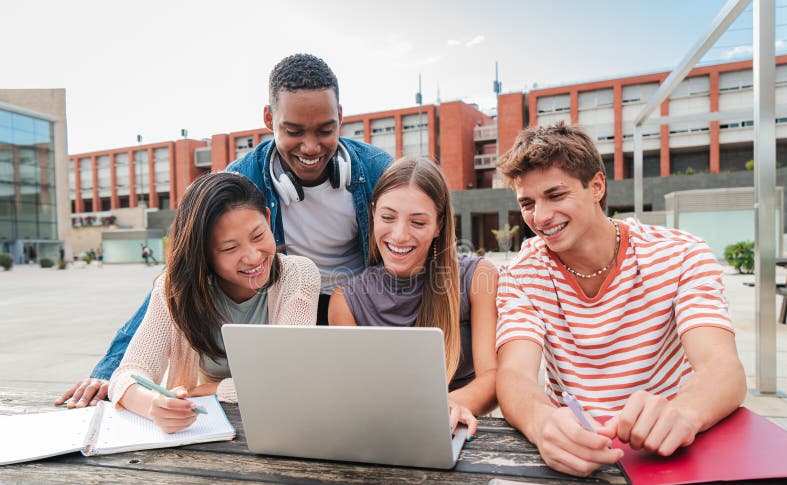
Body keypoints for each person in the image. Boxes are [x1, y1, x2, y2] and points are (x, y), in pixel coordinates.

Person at [56, 53, 393, 408]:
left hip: (348, 308)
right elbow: (178, 278)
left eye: (325, 130)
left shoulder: (376, 171)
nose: (311, 147)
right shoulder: (241, 179)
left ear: (340, 117)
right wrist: (111, 370)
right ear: (269, 119)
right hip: (283, 300)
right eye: (293, 132)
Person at [494, 122, 746, 477]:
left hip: (667, 450)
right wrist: (542, 423)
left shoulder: (682, 254)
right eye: (527, 203)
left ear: (596, 186)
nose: (541, 217)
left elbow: (724, 368)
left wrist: (686, 412)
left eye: (555, 195)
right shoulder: (521, 274)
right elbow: (514, 375)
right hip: (572, 452)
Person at [108, 171, 320, 432]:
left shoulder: (298, 274)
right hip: (205, 426)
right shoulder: (174, 290)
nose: (254, 257)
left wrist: (210, 389)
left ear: (267, 218)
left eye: (258, 236)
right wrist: (154, 405)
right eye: (230, 248)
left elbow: (290, 378)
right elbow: (126, 374)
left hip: (278, 425)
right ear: (203, 253)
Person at [328, 158, 499, 438]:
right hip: (381, 434)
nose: (399, 235)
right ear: (372, 214)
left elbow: (493, 378)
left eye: (418, 222)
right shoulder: (346, 300)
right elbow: (354, 390)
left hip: (459, 432)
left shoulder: (478, 278)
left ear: (439, 225)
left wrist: (452, 404)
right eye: (387, 217)